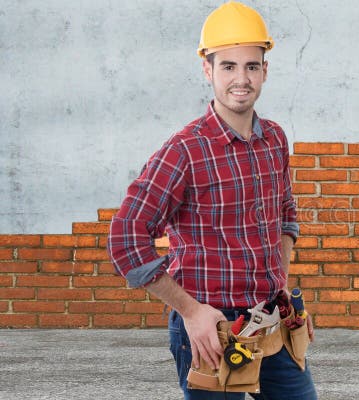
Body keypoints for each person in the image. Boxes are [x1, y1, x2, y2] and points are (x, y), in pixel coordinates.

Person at [107, 2, 317, 399]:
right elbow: (125, 239)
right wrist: (190, 311)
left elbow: (284, 216)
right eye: (228, 66)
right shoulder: (185, 150)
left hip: (271, 319)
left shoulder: (274, 139)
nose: (242, 78)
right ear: (208, 69)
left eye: (252, 66)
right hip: (211, 329)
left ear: (265, 71)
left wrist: (281, 284)